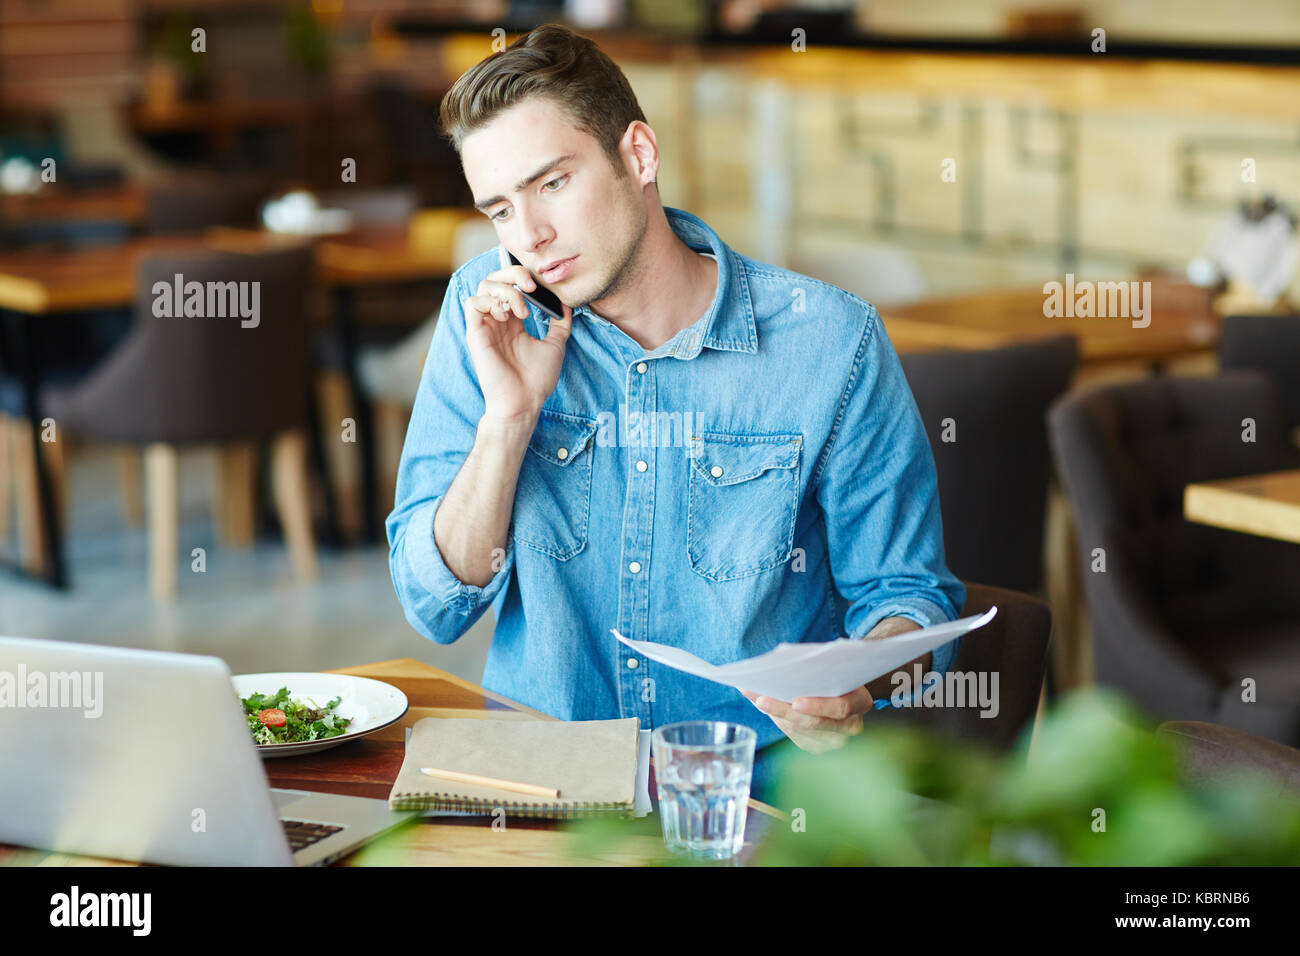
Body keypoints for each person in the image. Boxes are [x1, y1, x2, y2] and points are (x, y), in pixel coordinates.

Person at [386, 23, 965, 805]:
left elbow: (905, 595)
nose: (530, 237)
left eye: (552, 183)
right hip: (544, 790)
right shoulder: (486, 317)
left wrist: (861, 684)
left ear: (639, 155)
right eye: (499, 210)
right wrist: (509, 418)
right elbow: (434, 606)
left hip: (758, 795)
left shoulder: (832, 342)